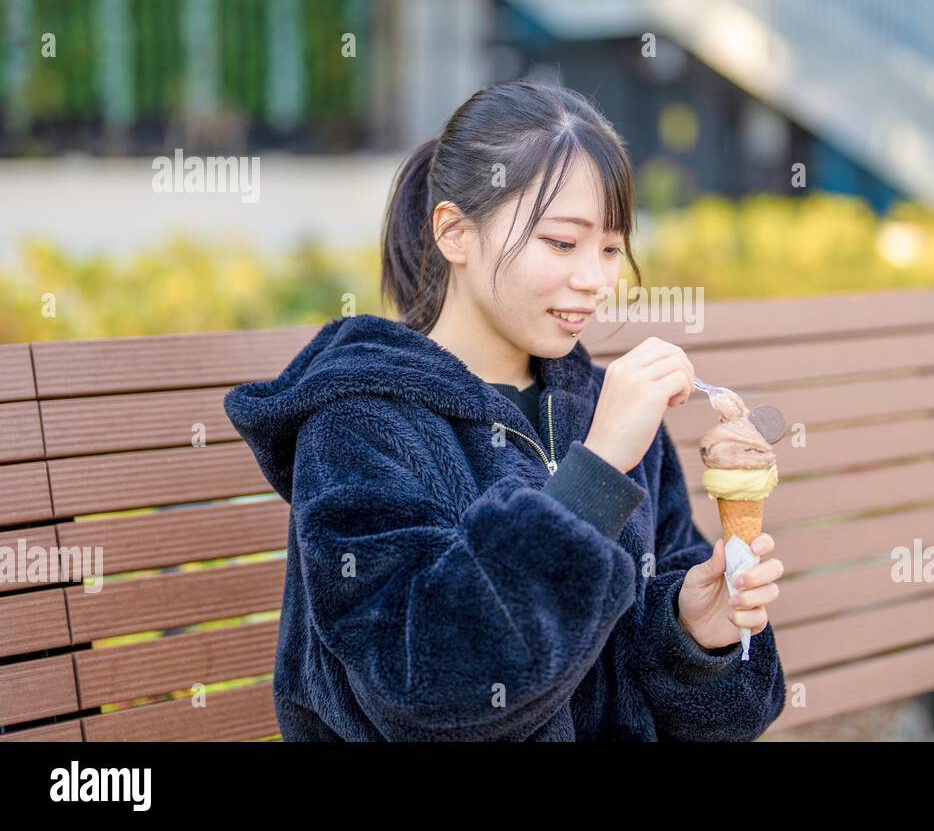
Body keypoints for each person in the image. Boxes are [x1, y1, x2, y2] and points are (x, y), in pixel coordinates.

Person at [224, 79, 786, 741]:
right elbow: (426, 688)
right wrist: (595, 475)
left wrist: (692, 637)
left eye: (610, 248)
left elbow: (725, 711)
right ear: (456, 233)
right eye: (561, 242)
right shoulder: (361, 426)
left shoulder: (606, 415)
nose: (595, 280)